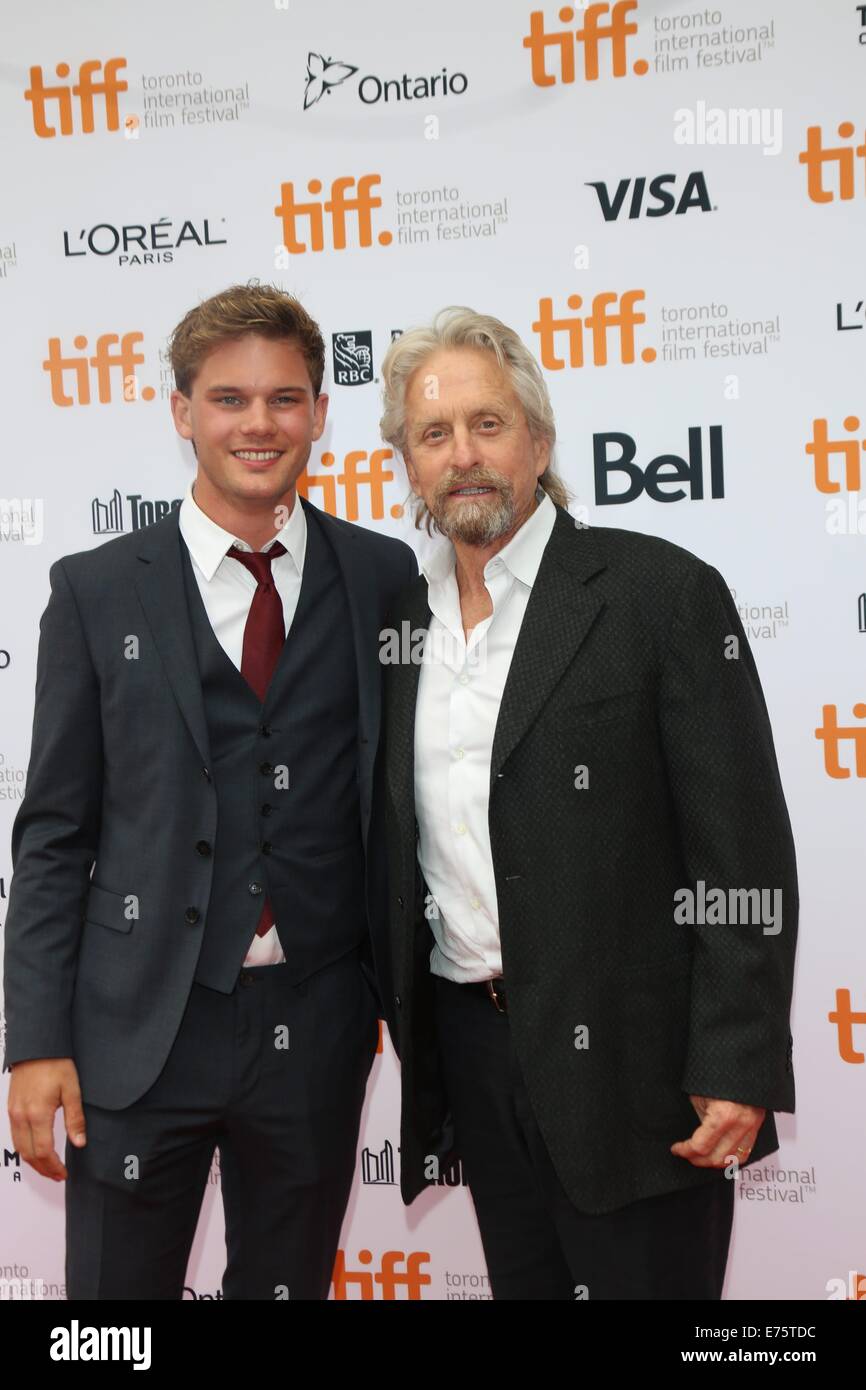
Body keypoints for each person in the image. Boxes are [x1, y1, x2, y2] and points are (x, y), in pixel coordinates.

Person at [3, 281, 416, 1300]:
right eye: (227, 398)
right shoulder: (96, 590)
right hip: (137, 1028)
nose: (258, 423)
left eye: (284, 398)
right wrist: (36, 1040)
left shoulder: (382, 578)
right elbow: (55, 831)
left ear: (321, 413)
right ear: (181, 411)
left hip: (315, 1023)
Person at [377, 306, 798, 1300]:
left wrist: (735, 1057)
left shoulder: (657, 593)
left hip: (638, 1066)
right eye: (432, 434)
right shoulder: (398, 626)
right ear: (406, 461)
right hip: (474, 1053)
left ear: (537, 437)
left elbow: (738, 850)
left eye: (486, 423)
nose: (463, 454)